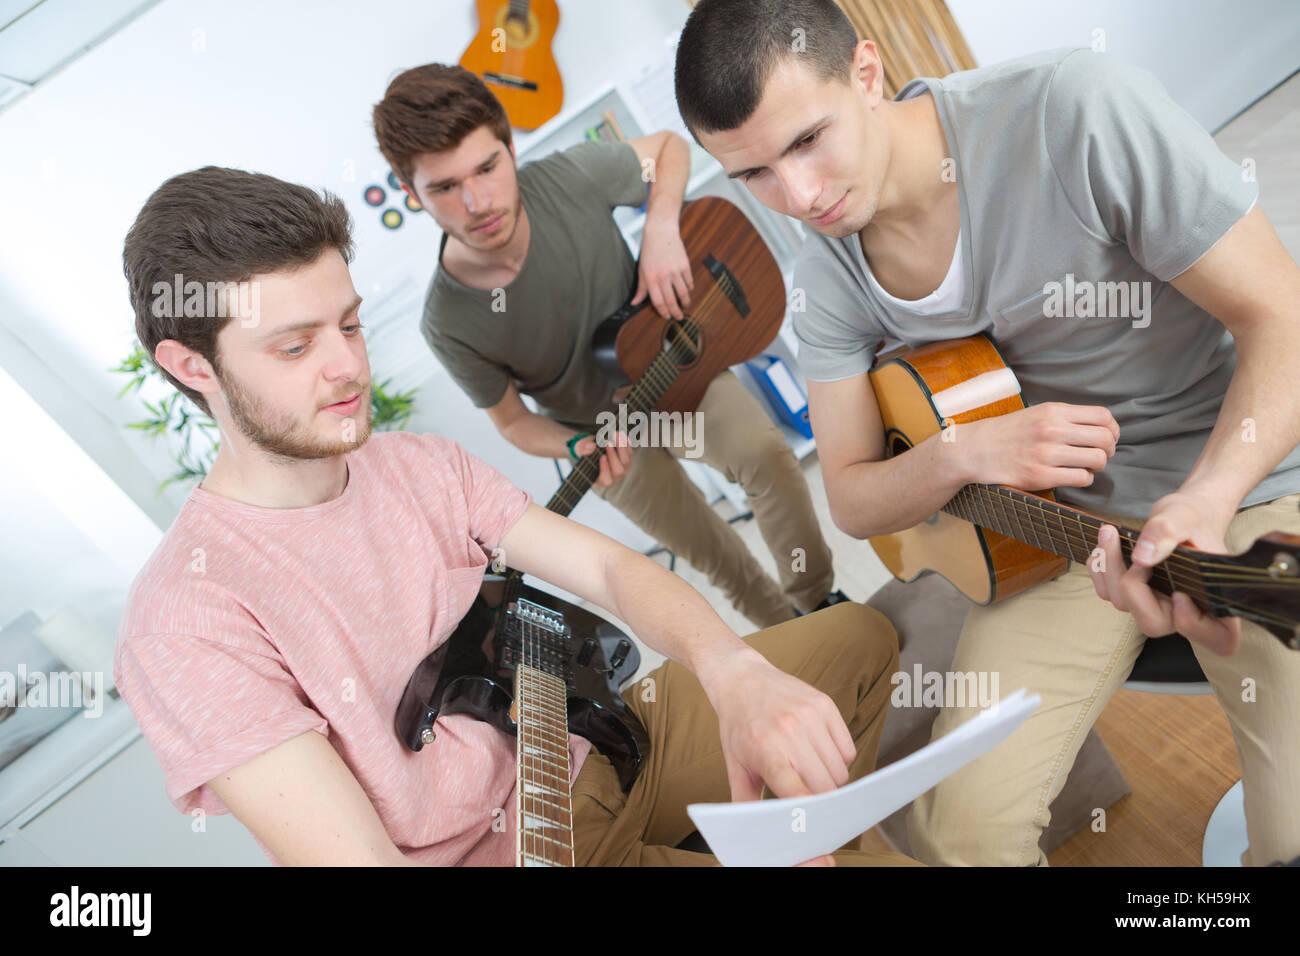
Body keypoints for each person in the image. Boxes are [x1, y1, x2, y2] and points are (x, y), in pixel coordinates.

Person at [113, 165, 919, 867]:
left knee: (861, 639)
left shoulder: (414, 464)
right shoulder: (186, 620)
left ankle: (818, 838)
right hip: (532, 853)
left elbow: (606, 567)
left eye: (350, 324)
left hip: (599, 743)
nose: (347, 365)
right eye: (295, 348)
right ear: (192, 366)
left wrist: (733, 672)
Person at [674, 0, 1300, 866]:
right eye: (754, 176)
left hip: (1239, 484)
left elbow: (1283, 315)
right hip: (1052, 543)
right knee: (963, 840)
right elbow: (852, 495)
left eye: (808, 139)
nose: (801, 196)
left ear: (864, 72)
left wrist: (1208, 497)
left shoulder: (1071, 109)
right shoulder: (821, 268)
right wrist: (963, 454)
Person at [372, 64, 849, 630]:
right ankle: (796, 642)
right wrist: (575, 446)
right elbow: (514, 424)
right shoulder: (447, 321)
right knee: (713, 555)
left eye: (487, 167)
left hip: (672, 365)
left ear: (510, 149)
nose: (477, 201)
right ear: (411, 193)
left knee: (765, 456)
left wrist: (661, 229)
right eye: (445, 187)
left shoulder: (569, 175)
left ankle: (817, 599)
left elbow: (668, 149)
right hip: (601, 436)